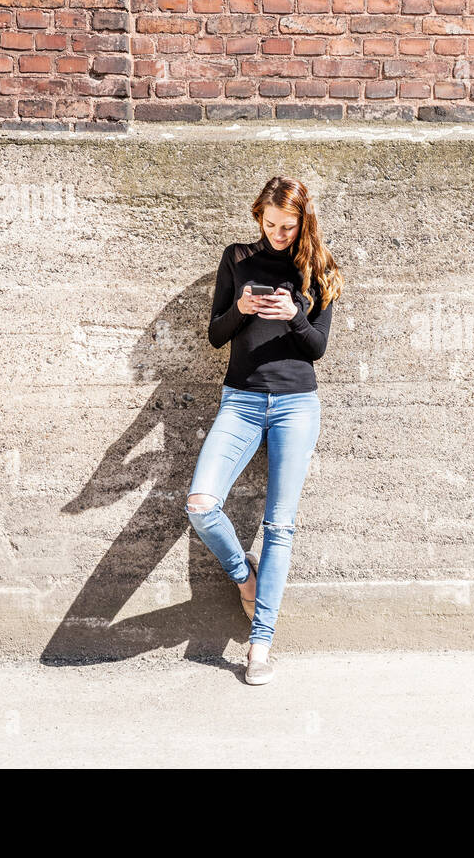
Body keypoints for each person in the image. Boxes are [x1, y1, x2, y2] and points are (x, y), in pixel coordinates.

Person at [185, 176, 343, 685]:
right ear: (259, 217)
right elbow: (215, 335)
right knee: (201, 505)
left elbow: (317, 348)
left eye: (288, 225)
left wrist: (296, 316)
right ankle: (245, 578)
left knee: (280, 526)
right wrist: (241, 310)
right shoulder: (236, 258)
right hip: (242, 401)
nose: (278, 233)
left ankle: (260, 646)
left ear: (303, 221)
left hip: (297, 404)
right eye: (270, 224)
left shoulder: (318, 269)